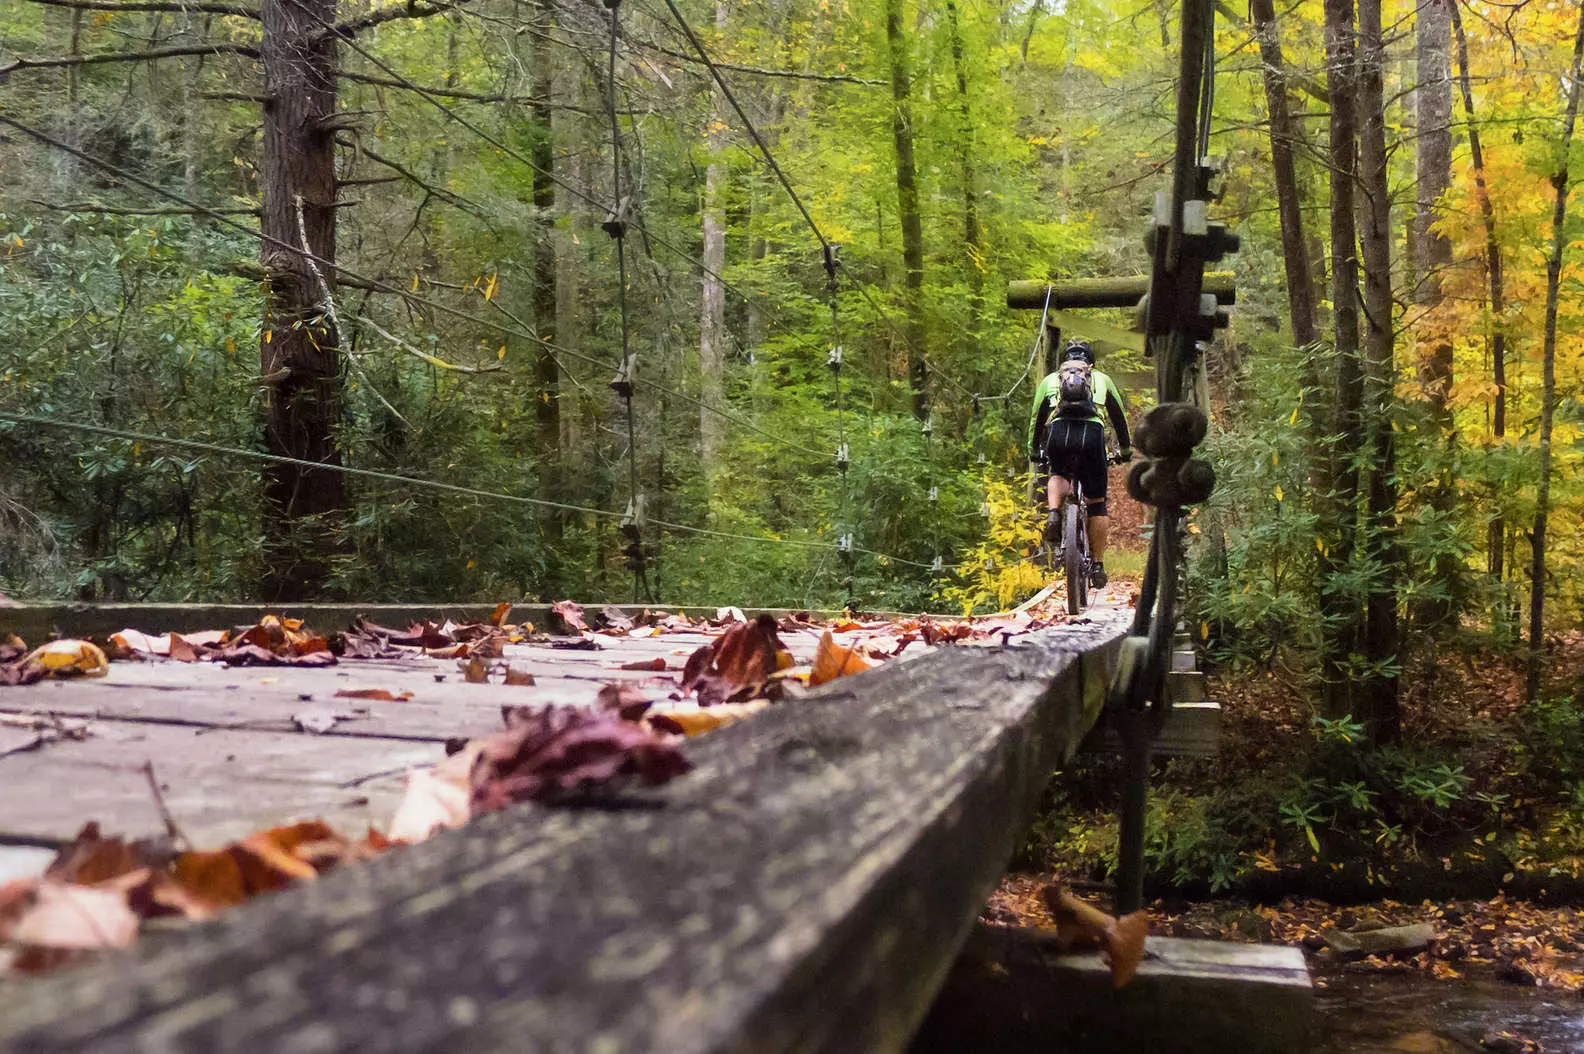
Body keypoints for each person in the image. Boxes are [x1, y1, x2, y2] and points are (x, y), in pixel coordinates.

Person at [1027, 338, 1132, 588]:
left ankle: (1053, 512)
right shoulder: (1101, 379)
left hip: (1059, 432)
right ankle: (1097, 565)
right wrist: (1126, 450)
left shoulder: (1051, 381)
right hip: (1092, 436)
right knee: (1096, 504)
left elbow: (1037, 418)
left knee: (1058, 473)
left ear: (1064, 362)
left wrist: (1033, 450)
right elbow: (1119, 417)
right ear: (1090, 364)